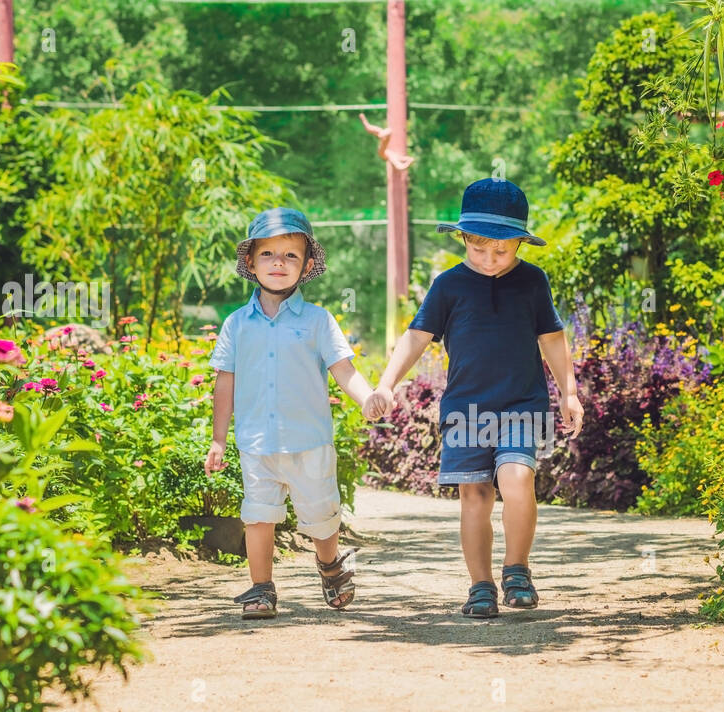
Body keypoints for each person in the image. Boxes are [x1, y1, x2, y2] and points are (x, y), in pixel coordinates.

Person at [364, 179, 584, 618]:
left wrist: (570, 392)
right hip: (465, 409)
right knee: (475, 497)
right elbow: (416, 337)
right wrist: (386, 383)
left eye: (501, 251)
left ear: (521, 243)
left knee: (518, 477)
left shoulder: (533, 282)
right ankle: (480, 586)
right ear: (463, 238)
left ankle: (516, 569)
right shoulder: (448, 285)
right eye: (478, 249)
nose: (488, 260)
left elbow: (553, 338)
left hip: (523, 404)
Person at [206, 207, 378, 620]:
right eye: (268, 254)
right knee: (257, 515)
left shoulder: (319, 321)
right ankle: (261, 588)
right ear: (250, 262)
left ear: (307, 265)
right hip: (256, 442)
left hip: (309, 441)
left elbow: (344, 371)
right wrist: (217, 439)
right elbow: (224, 382)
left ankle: (330, 564)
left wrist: (368, 397)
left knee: (321, 517)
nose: (278, 263)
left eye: (290, 256)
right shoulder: (236, 324)